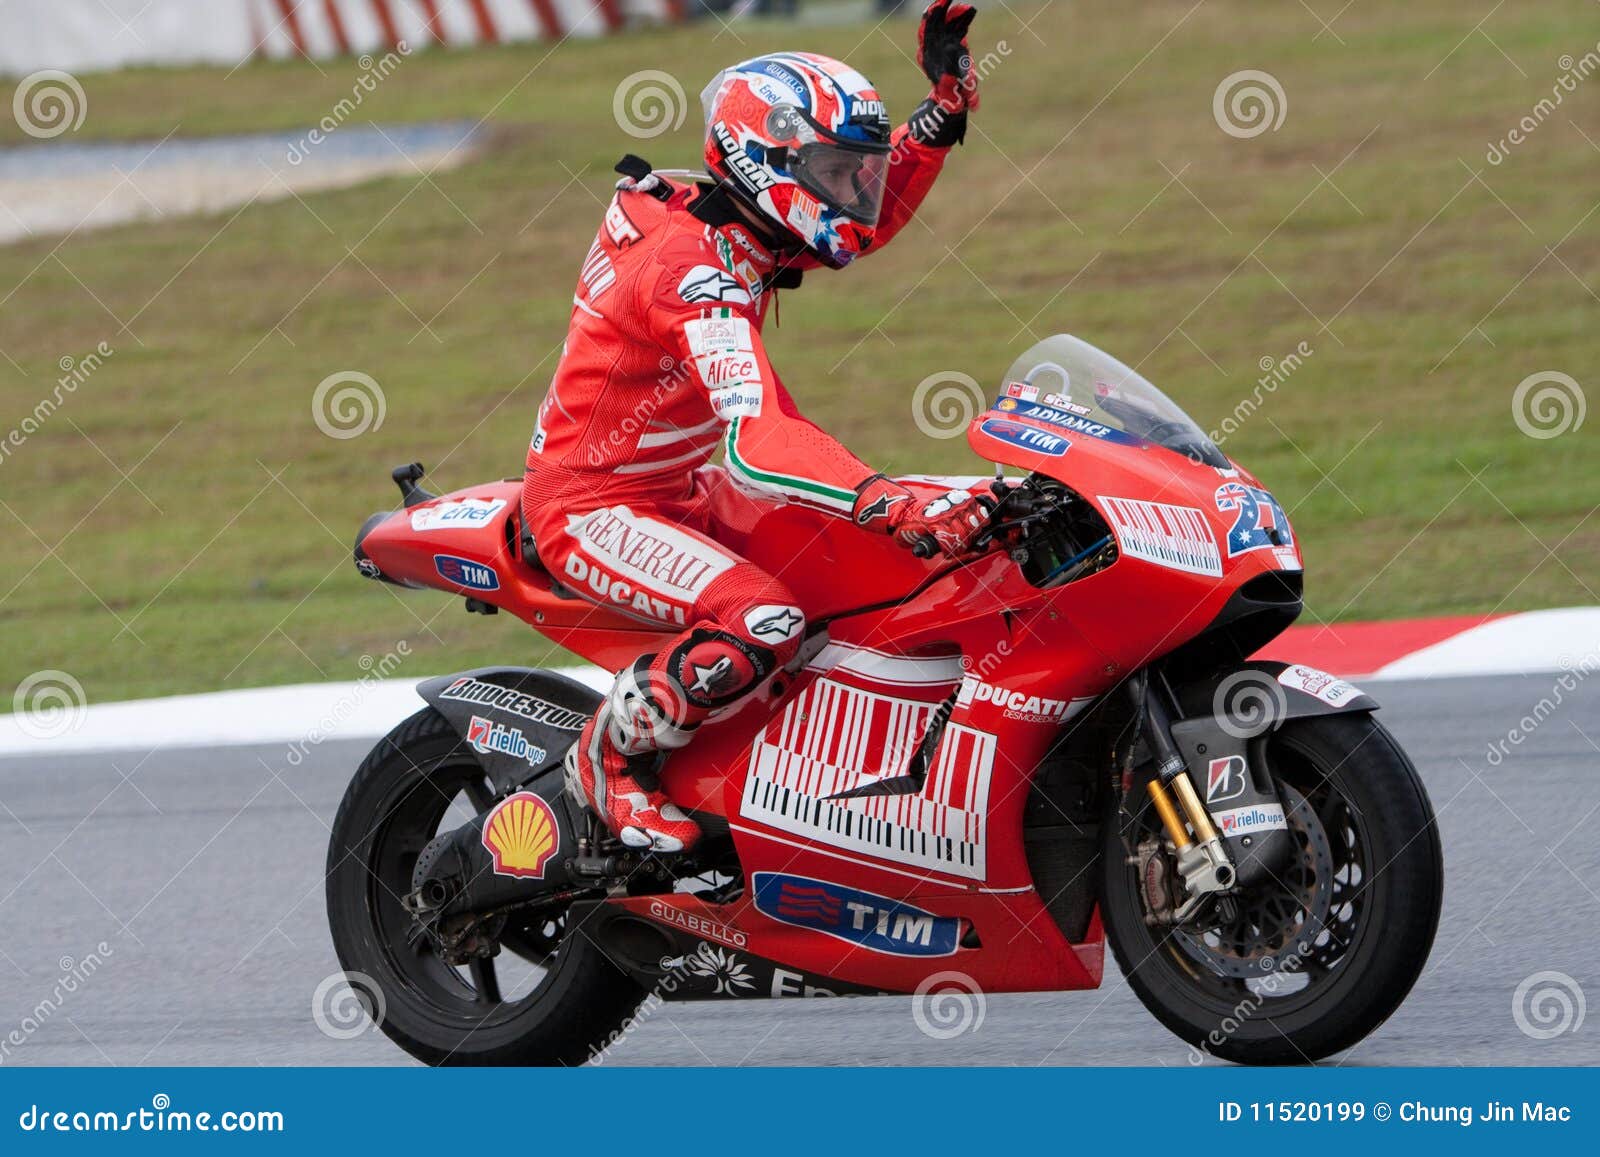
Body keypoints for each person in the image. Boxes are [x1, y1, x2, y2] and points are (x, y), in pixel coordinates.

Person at [522, 1, 987, 854]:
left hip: (679, 489)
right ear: (767, 161)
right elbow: (760, 436)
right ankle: (607, 760)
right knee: (764, 618)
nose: (856, 191)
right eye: (837, 170)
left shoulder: (740, 218)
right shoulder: (689, 272)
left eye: (855, 170)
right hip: (592, 506)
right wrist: (886, 498)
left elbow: (863, 217)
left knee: (850, 567)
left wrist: (939, 117)